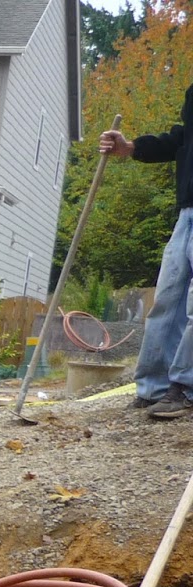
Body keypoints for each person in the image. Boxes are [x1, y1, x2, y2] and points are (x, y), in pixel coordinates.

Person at [102, 98, 193, 419]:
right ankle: (154, 387)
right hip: (187, 211)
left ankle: (186, 388)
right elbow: (182, 139)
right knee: (168, 300)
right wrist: (131, 148)